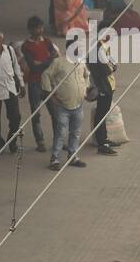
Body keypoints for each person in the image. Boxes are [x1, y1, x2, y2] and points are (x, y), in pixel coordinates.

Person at [42, 39, 90, 169]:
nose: (79, 50)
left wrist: (85, 90)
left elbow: (86, 76)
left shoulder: (81, 62)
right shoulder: (58, 62)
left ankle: (73, 156)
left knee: (75, 132)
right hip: (63, 106)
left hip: (78, 105)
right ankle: (55, 159)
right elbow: (46, 75)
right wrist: (51, 96)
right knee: (61, 133)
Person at [20, 15, 60, 152]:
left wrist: (42, 62)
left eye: (41, 27)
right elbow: (34, 67)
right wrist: (48, 60)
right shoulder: (26, 46)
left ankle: (58, 139)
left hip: (47, 82)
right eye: (38, 28)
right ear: (31, 30)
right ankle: (40, 141)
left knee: (55, 113)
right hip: (35, 83)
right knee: (36, 114)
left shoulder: (47, 41)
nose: (41, 30)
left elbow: (53, 57)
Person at [85, 29, 119, 156]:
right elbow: (106, 69)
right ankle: (102, 144)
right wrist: (111, 66)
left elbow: (113, 62)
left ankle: (104, 139)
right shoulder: (97, 48)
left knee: (103, 114)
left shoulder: (103, 46)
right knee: (101, 115)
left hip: (108, 85)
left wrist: (112, 65)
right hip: (103, 87)